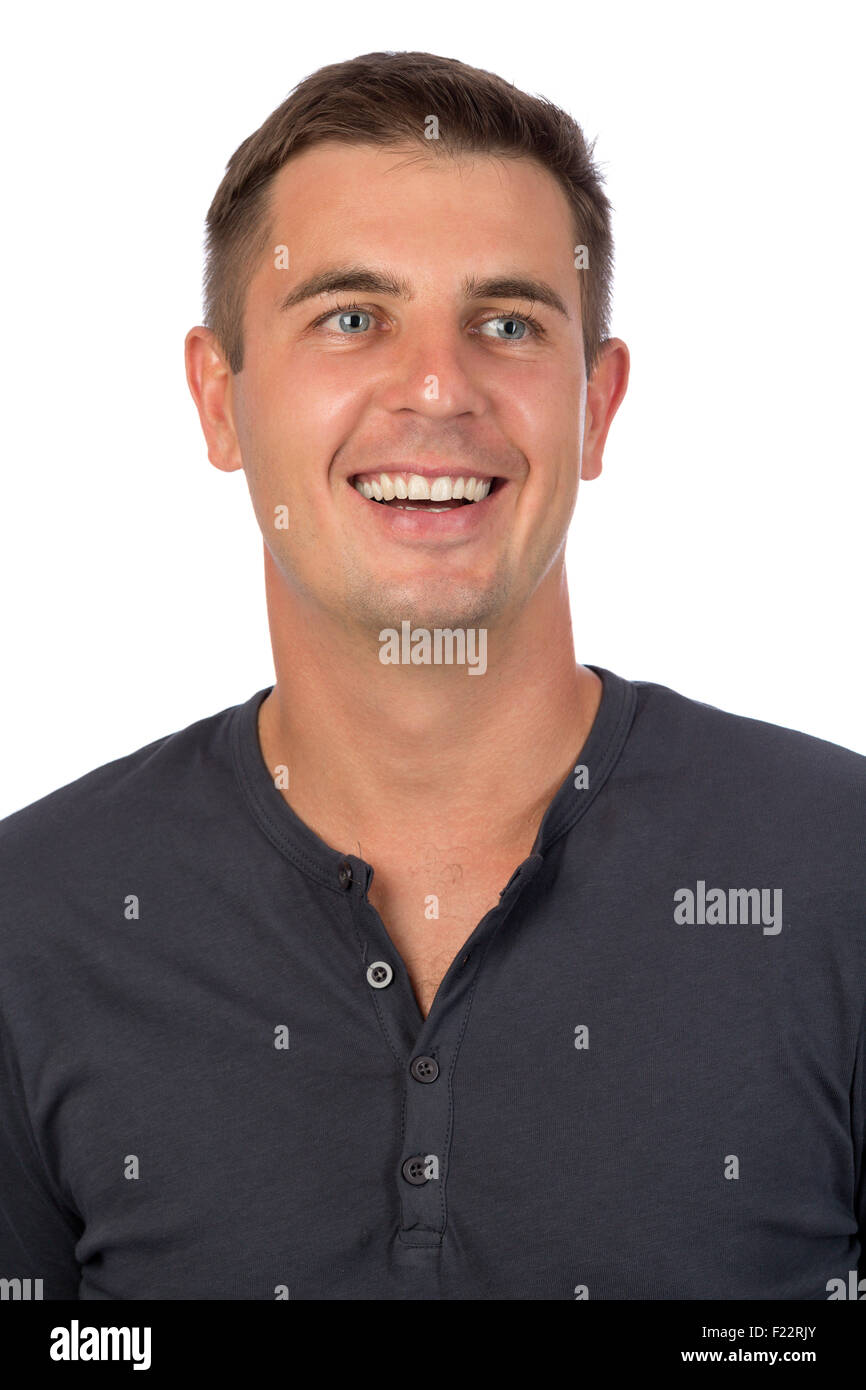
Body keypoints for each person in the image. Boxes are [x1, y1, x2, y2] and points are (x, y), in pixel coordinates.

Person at [1, 50, 863, 1302]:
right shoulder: (34, 923)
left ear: (595, 406)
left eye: (506, 324)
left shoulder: (836, 873)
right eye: (352, 317)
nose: (435, 389)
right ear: (219, 398)